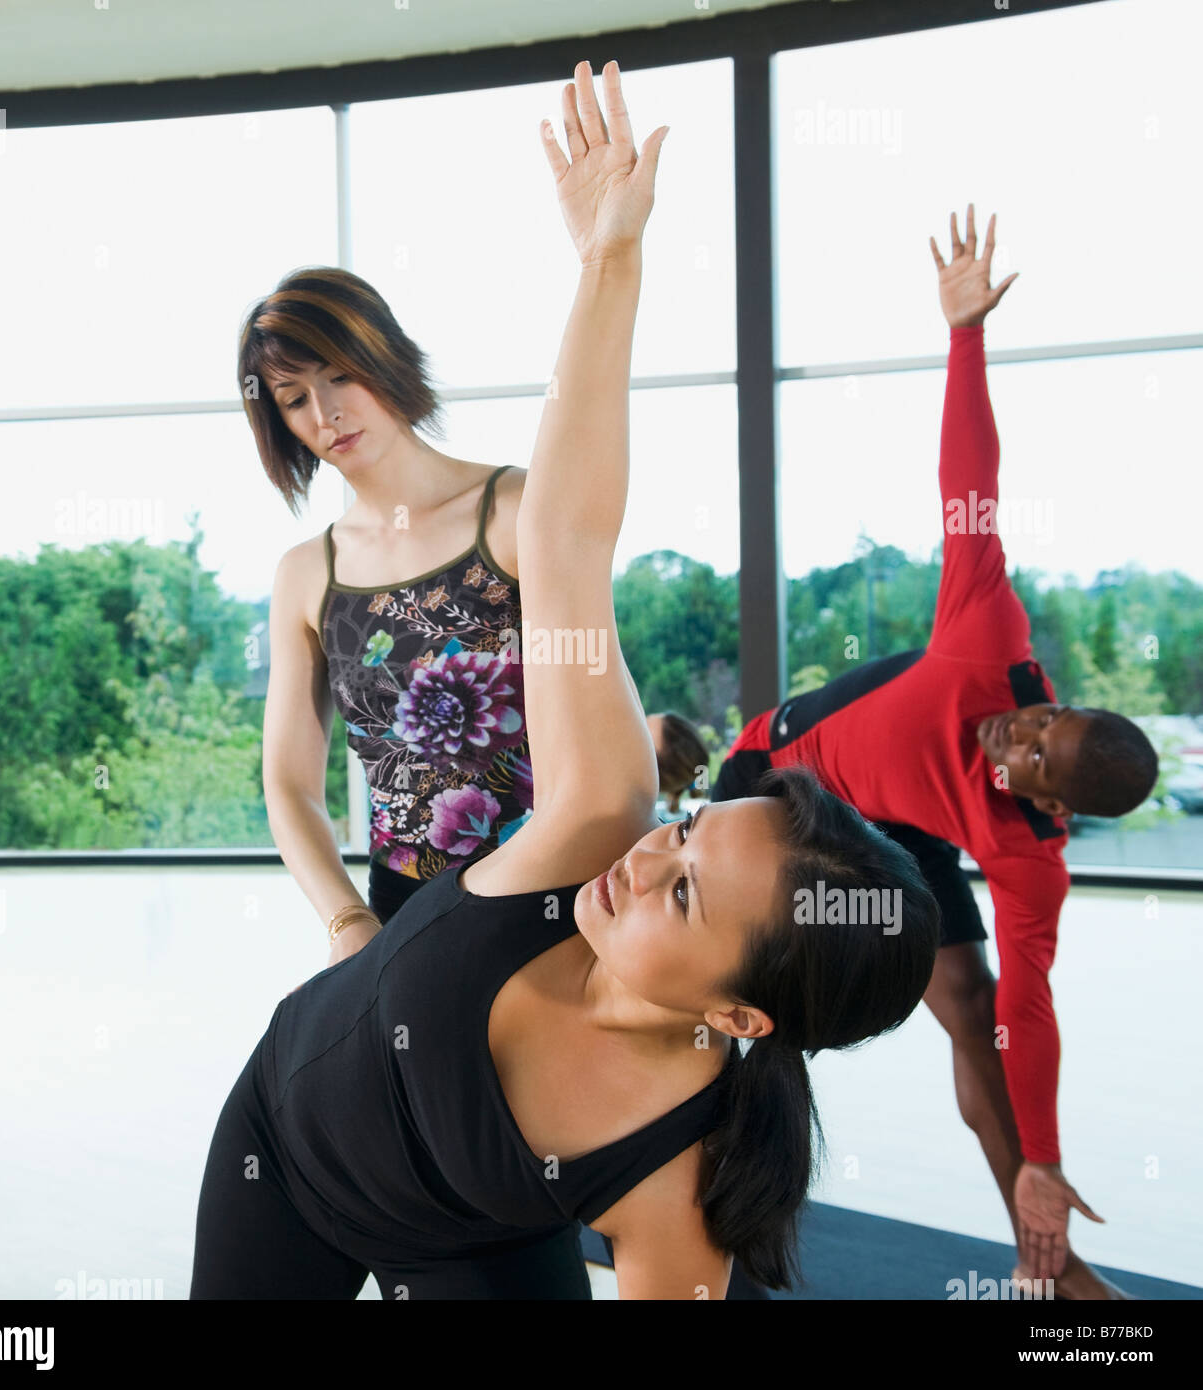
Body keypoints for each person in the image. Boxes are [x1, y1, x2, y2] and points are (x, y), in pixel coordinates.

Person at [191, 59, 940, 1301]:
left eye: (687, 888)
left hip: (468, 1192)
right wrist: (609, 262)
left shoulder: (678, 1173)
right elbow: (570, 552)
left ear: (740, 1018)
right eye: (685, 830)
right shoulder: (596, 828)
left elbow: (549, 528)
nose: (648, 851)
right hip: (313, 1095)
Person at [701, 207, 1158, 1300]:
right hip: (776, 782)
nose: (1019, 734)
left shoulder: (1024, 856)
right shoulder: (988, 644)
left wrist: (1045, 1151)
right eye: (1045, 719)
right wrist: (963, 335)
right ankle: (694, 1189)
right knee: (763, 995)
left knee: (970, 995)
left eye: (1034, 756)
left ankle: (1043, 1246)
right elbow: (969, 487)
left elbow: (1027, 1011)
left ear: (1047, 803)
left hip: (901, 824)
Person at [239, 263, 529, 944]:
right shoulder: (309, 574)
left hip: (549, 891)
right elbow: (289, 785)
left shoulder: (515, 511)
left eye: (340, 374)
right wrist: (347, 921)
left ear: (384, 355)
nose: (326, 412)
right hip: (401, 913)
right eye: (294, 398)